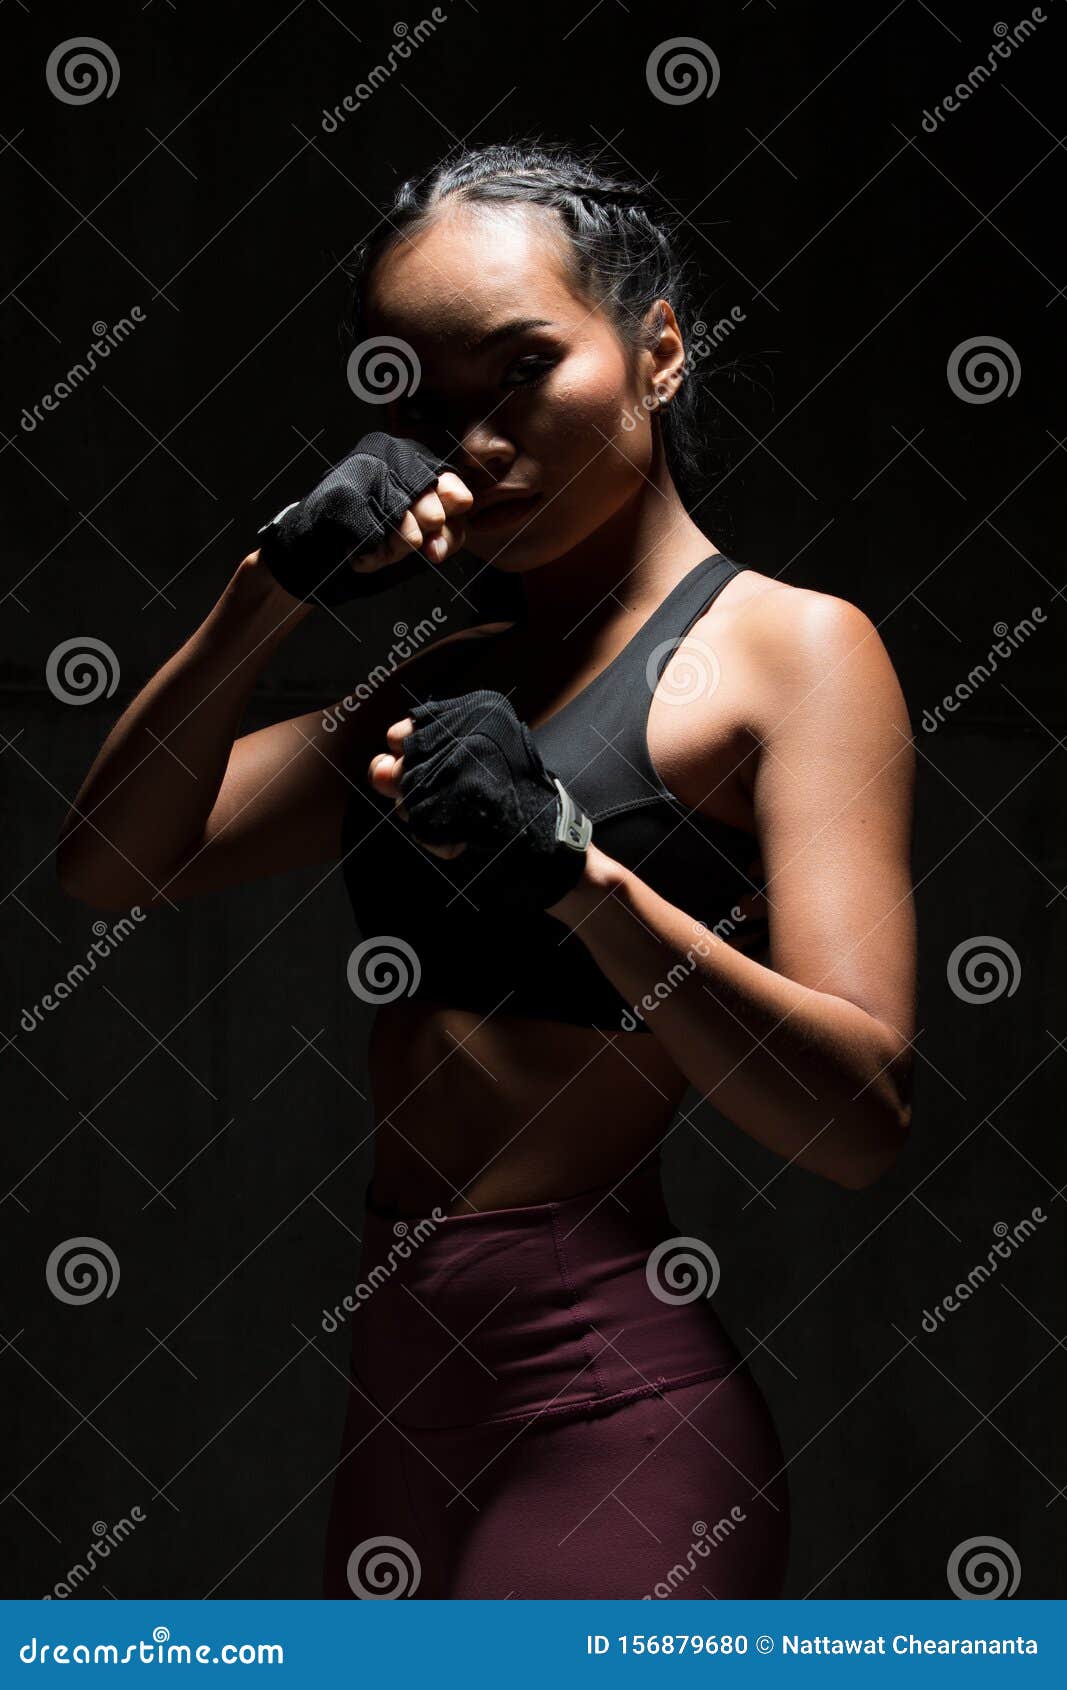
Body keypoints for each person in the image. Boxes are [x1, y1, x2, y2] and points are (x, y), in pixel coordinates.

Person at [56, 141, 916, 1600]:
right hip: (397, 1400)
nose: (477, 441)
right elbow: (111, 864)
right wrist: (268, 593)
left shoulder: (792, 648)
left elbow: (862, 1118)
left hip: (608, 1406)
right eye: (426, 402)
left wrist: (582, 872)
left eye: (521, 369)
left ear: (655, 349)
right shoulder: (438, 677)